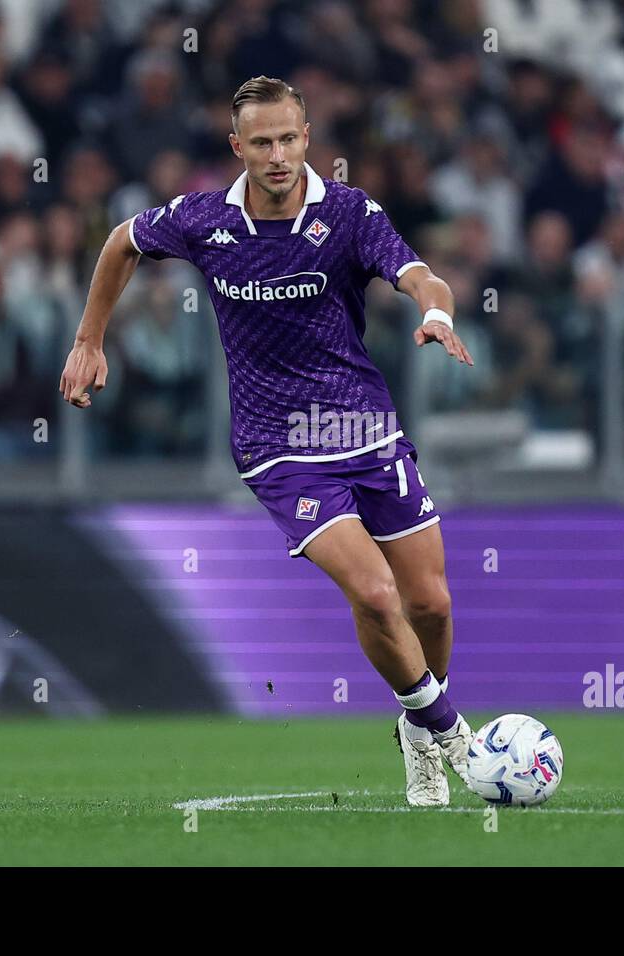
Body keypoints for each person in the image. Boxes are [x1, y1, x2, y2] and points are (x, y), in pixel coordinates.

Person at [60, 76, 475, 806]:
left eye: (288, 138)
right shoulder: (204, 221)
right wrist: (90, 338)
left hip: (365, 429)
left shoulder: (347, 213)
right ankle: (453, 739)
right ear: (237, 147)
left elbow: (419, 274)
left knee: (431, 604)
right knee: (375, 594)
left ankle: (414, 726)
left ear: (307, 138)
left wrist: (436, 314)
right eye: (261, 143)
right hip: (276, 443)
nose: (277, 155)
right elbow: (123, 241)